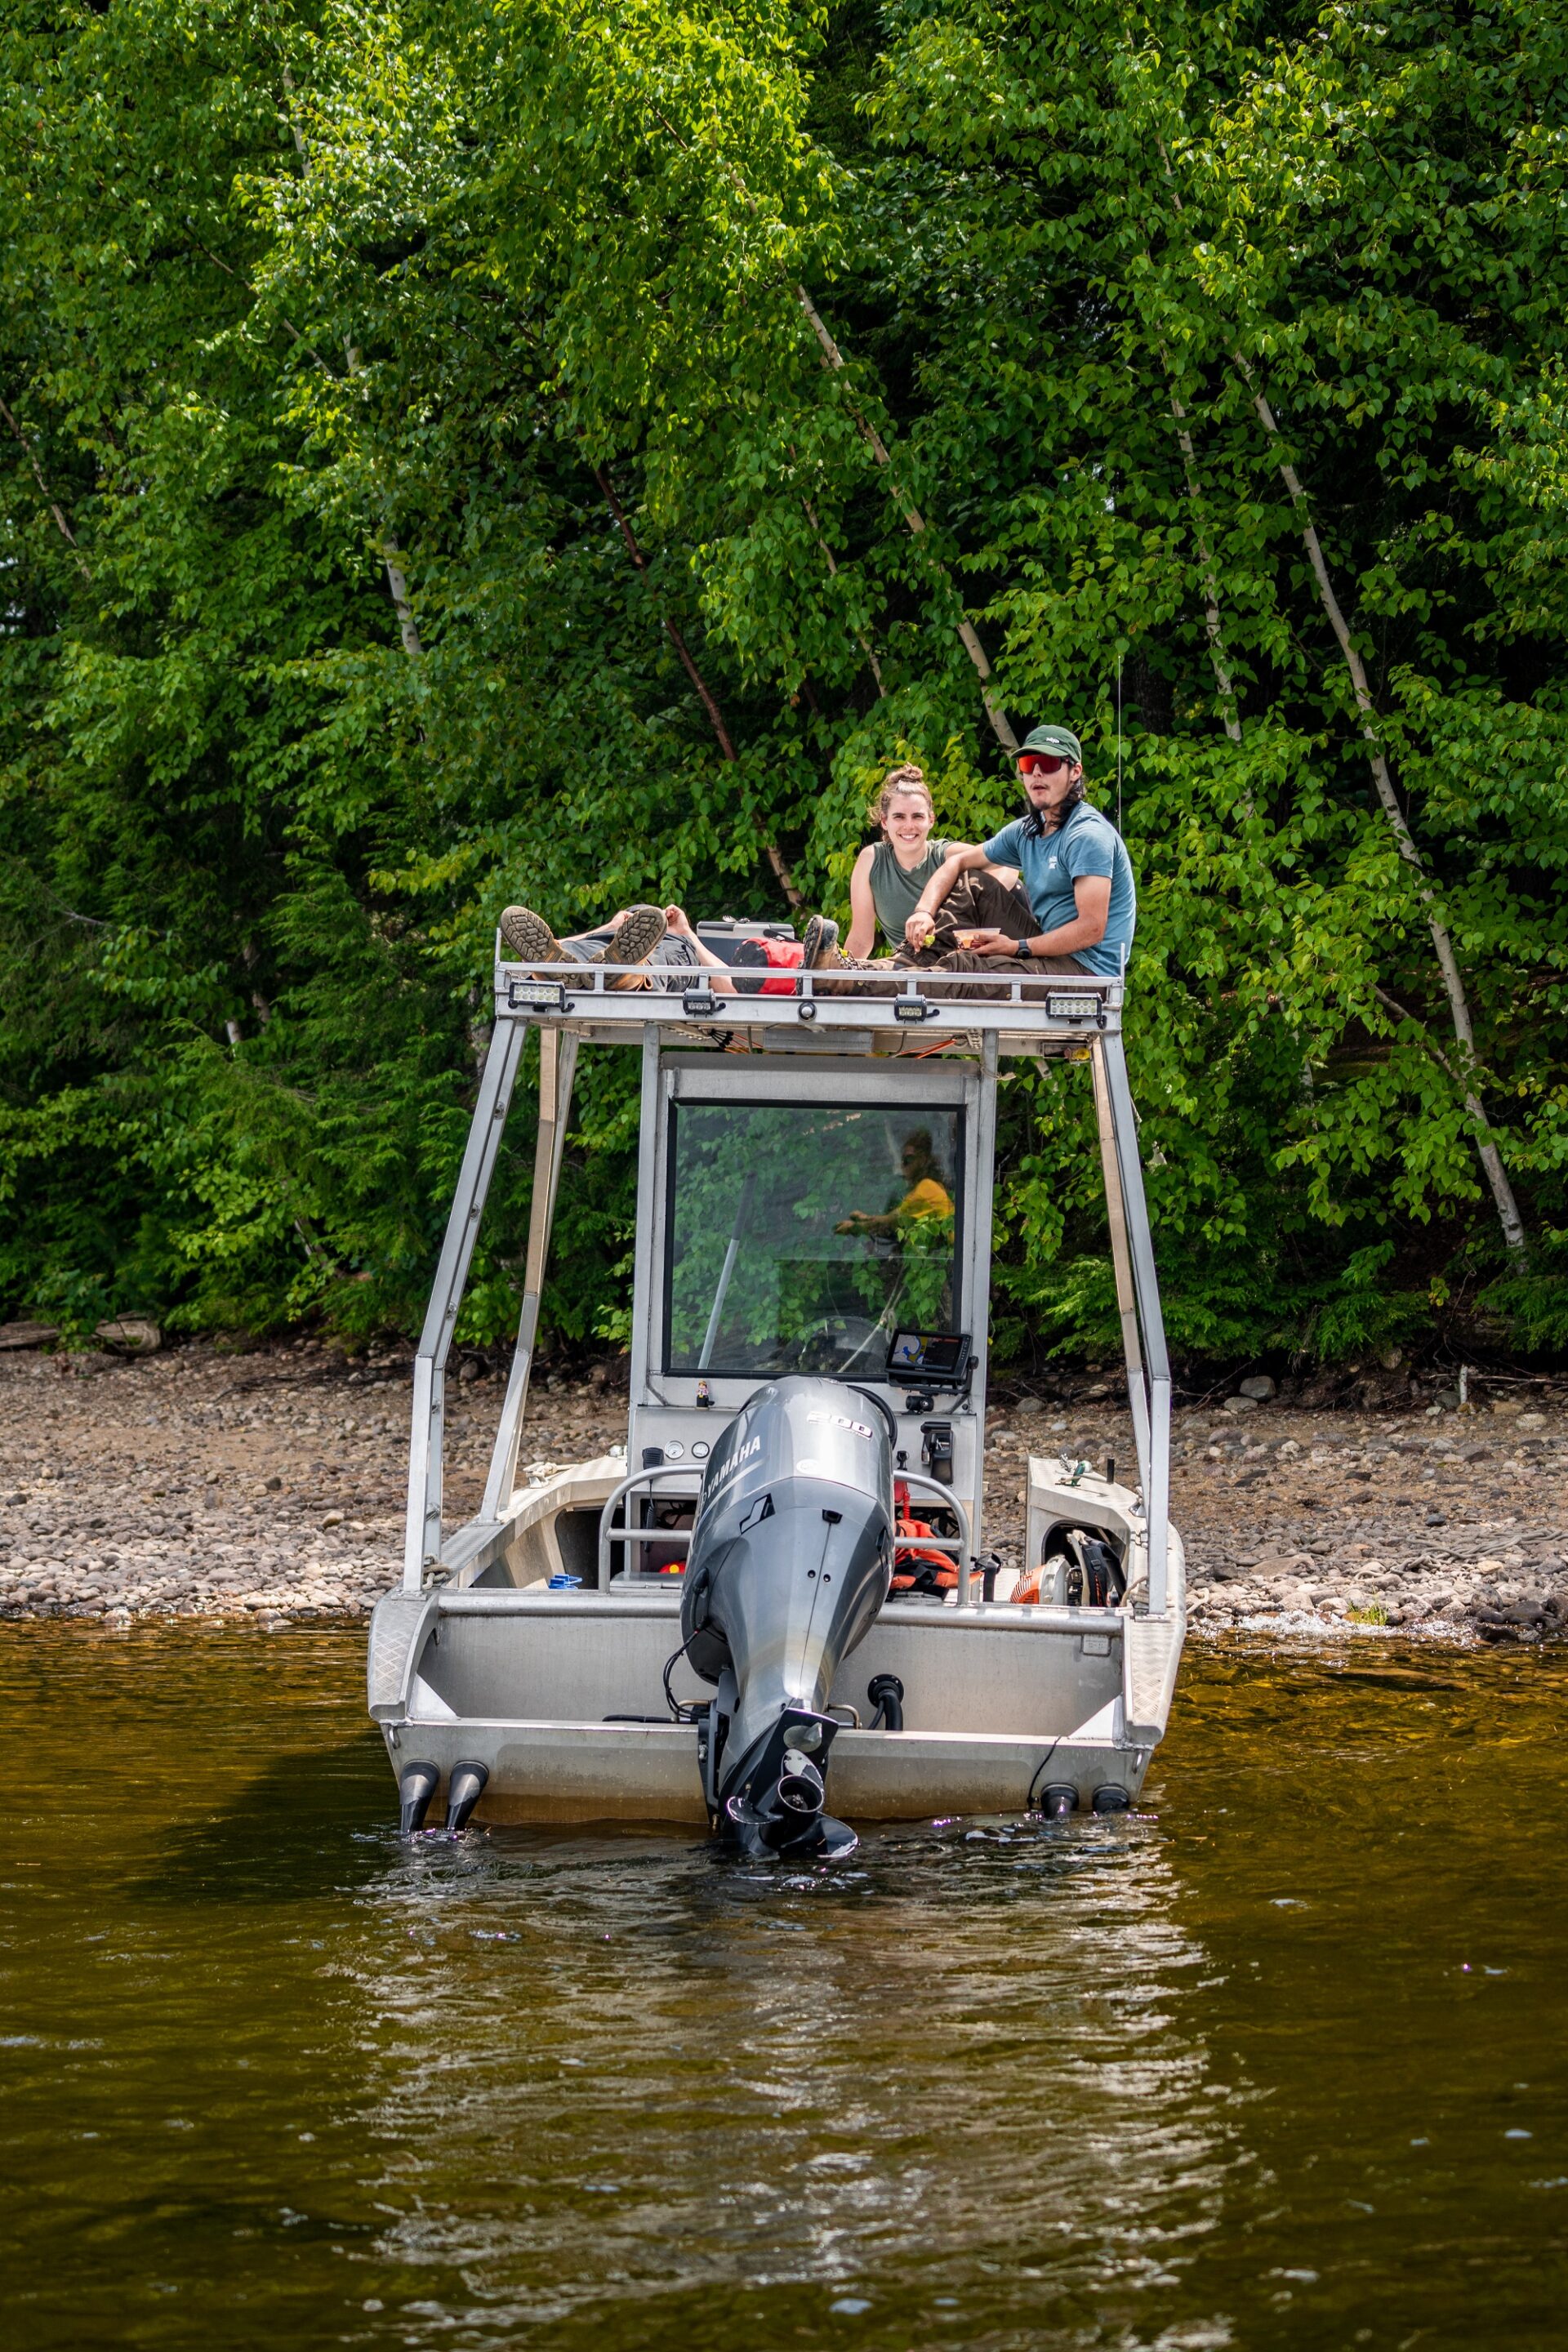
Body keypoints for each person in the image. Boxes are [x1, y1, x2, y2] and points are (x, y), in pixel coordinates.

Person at [902, 723, 1135, 983]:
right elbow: (957, 862)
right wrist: (923, 911)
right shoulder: (1029, 830)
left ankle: (904, 982)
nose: (1036, 773)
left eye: (1047, 764)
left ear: (1075, 771)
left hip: (1088, 971)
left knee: (968, 966)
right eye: (1028, 765)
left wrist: (1016, 946)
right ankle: (894, 969)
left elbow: (1091, 929)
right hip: (1049, 949)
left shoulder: (1087, 836)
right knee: (976, 883)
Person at [805, 764, 1033, 970]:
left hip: (966, 958)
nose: (909, 826)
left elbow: (1008, 865)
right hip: (913, 964)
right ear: (885, 821)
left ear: (931, 820)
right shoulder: (871, 861)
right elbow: (862, 939)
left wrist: (974, 898)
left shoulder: (946, 854)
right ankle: (834, 970)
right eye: (899, 817)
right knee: (878, 972)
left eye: (917, 816)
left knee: (996, 884)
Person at [498, 901, 738, 993]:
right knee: (572, 951)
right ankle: (623, 971)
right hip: (604, 952)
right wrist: (608, 928)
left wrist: (686, 933)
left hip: (669, 944)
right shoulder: (611, 935)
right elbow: (550, 948)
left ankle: (630, 972)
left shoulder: (680, 939)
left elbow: (732, 987)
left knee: (658, 959)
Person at [835, 1129, 953, 1238]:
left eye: (908, 1160)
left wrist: (854, 1228)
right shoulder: (931, 1186)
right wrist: (864, 1218)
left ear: (922, 1160)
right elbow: (893, 1221)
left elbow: (890, 1220)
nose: (903, 1166)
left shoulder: (927, 1188)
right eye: (902, 1161)